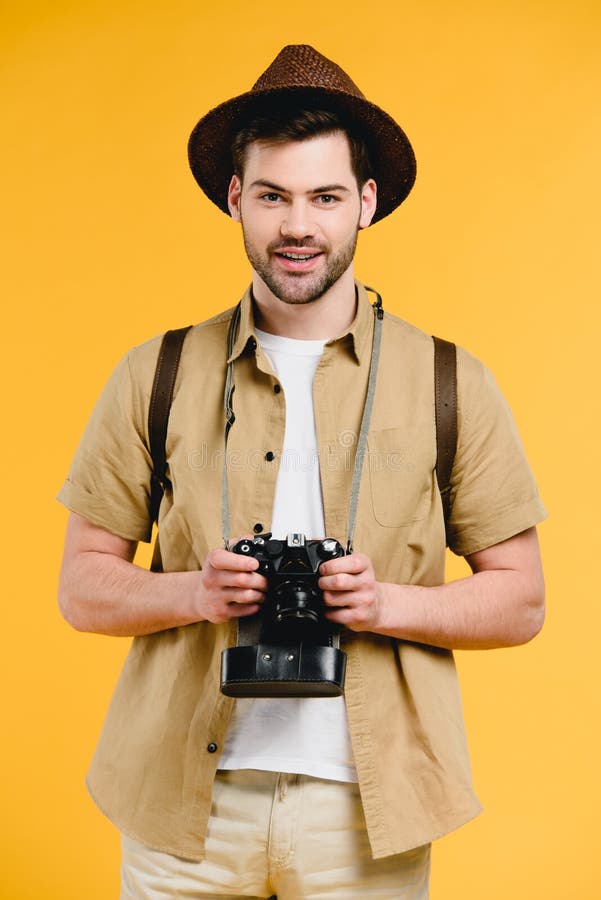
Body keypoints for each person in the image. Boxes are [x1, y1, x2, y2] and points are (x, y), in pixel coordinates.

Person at [57, 44, 546, 899]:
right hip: (181, 807)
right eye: (274, 196)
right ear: (236, 199)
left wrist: (386, 604)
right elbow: (81, 588)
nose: (297, 225)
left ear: (365, 202)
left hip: (366, 812)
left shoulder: (448, 381)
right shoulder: (156, 372)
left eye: (324, 197)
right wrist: (193, 594)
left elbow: (522, 600)